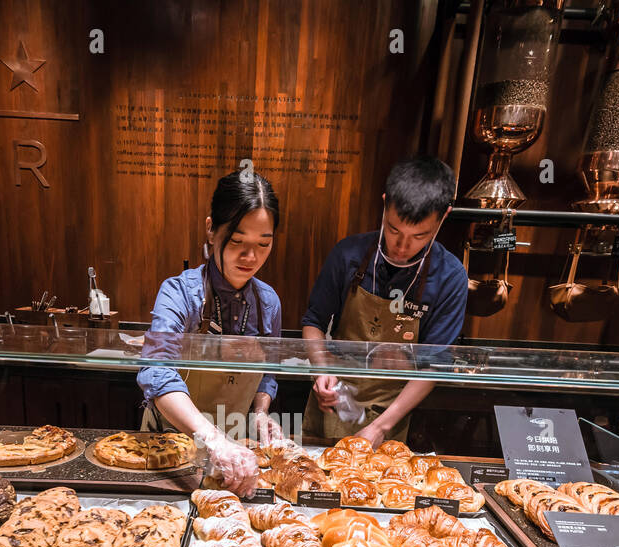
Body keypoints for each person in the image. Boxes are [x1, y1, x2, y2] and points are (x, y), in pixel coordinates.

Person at [301, 156, 468, 446]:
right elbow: (313, 322)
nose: (402, 246)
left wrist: (380, 427)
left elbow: (433, 366)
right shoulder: (347, 255)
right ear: (384, 204)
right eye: (393, 230)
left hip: (391, 414)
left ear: (444, 217)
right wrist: (321, 371)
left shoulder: (450, 277)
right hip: (332, 403)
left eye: (419, 236)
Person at [138, 169, 283, 496]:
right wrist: (213, 439)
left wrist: (261, 413)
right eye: (237, 242)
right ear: (211, 230)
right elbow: (156, 370)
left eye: (264, 244)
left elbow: (267, 374)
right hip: (170, 450)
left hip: (235, 455)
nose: (251, 257)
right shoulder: (180, 293)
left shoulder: (268, 303)